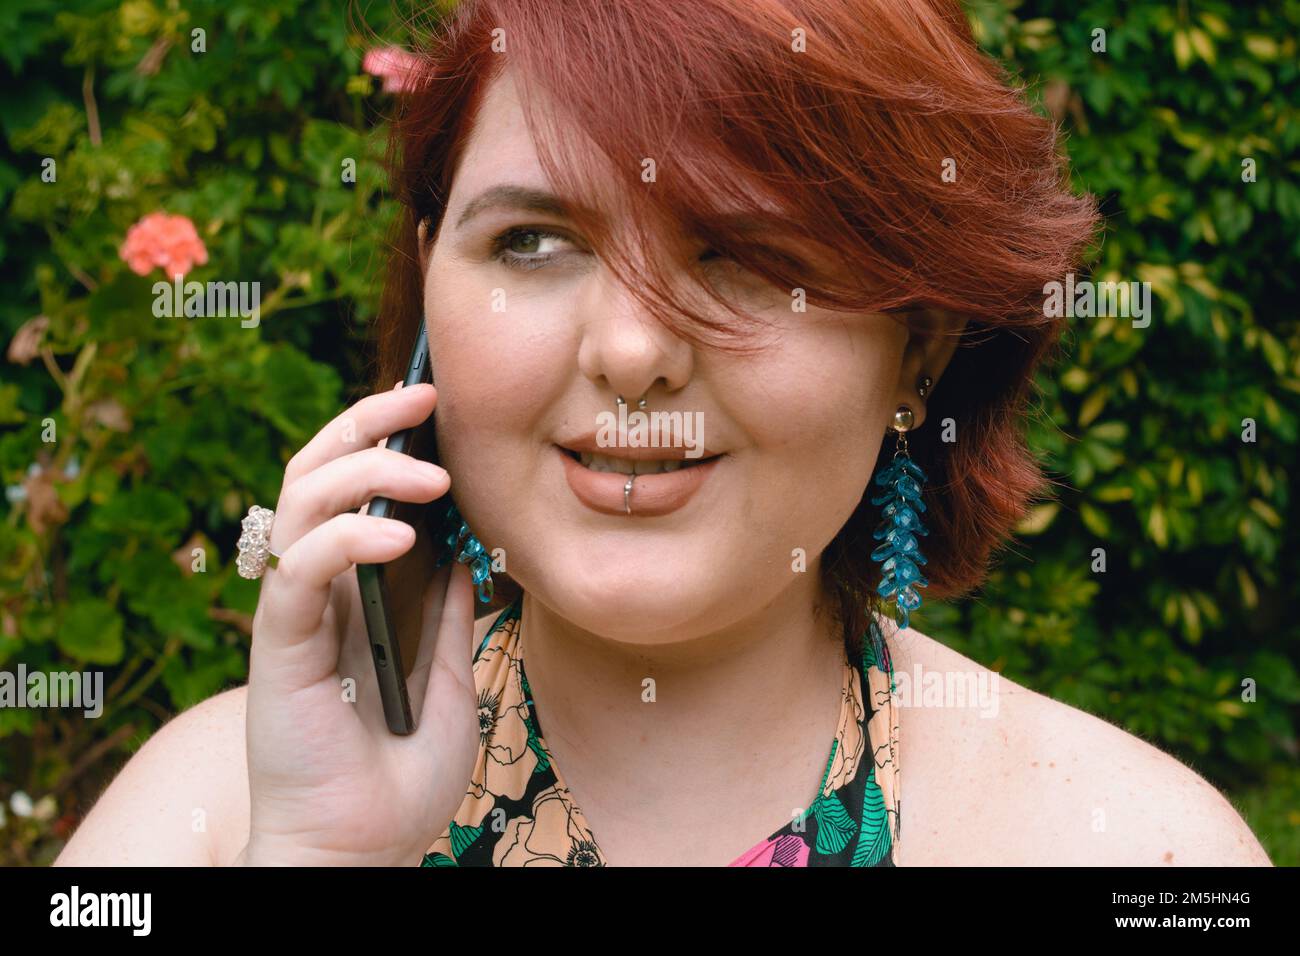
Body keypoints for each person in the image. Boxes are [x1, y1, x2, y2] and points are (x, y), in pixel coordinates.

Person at [55, 0, 1270, 867]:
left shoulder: (1131, 845)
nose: (633, 350)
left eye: (746, 253)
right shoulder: (211, 818)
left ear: (920, 346)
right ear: (429, 299)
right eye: (532, 241)